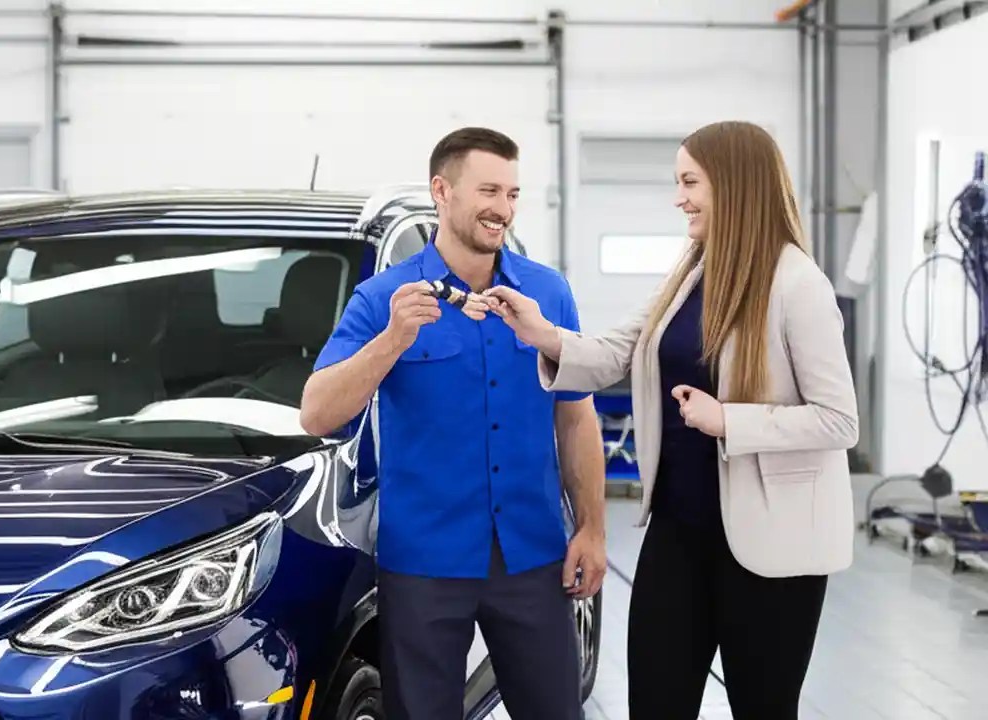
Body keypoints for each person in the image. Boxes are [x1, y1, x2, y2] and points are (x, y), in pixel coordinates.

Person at [483, 120, 858, 720]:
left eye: (690, 181)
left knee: (764, 707)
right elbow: (619, 352)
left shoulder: (797, 283)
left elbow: (839, 421)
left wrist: (729, 421)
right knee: (656, 701)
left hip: (769, 545)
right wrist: (542, 333)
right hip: (679, 533)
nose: (678, 196)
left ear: (734, 186)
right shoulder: (693, 270)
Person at [300, 127, 607, 720]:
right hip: (424, 564)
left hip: (532, 554)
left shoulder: (547, 293)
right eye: (489, 190)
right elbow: (317, 412)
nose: (503, 208)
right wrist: (391, 341)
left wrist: (592, 528)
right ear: (442, 190)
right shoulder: (383, 297)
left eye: (513, 193)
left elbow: (574, 418)